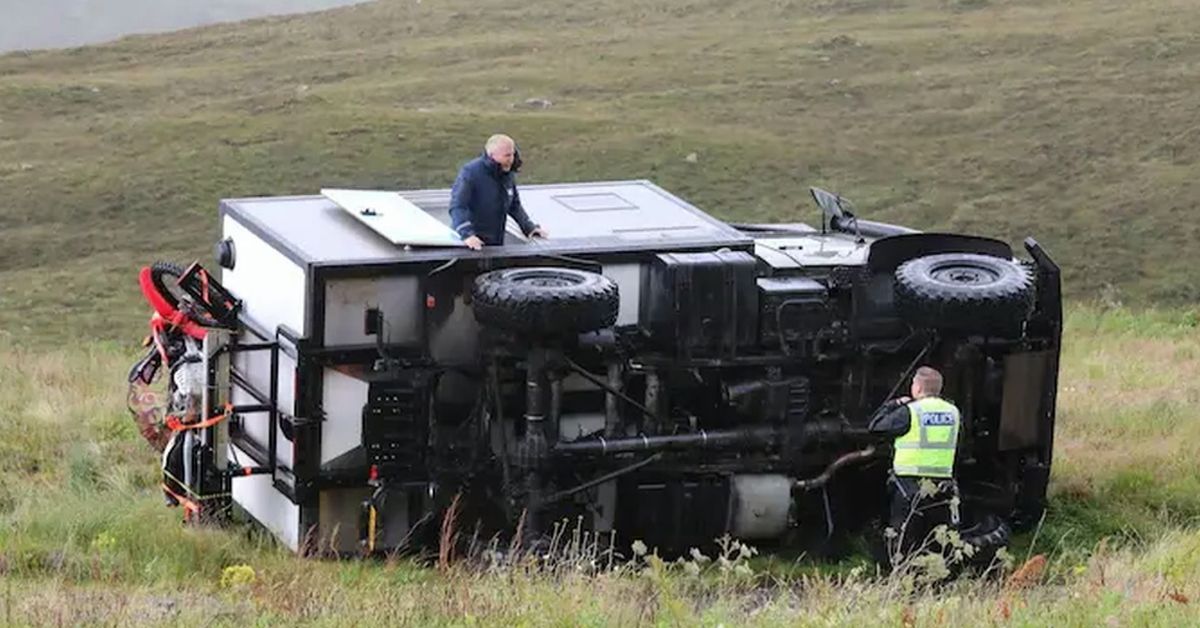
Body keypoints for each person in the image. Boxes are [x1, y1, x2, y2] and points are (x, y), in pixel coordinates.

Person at [868, 366, 962, 565]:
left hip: (909, 487)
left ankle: (904, 583)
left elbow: (875, 426)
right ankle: (936, 585)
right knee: (938, 542)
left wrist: (894, 403)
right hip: (943, 487)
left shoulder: (910, 411)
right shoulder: (953, 412)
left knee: (903, 542)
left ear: (917, 388)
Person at [449, 134, 548, 250]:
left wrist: (529, 227)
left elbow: (514, 206)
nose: (511, 160)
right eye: (507, 155)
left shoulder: (507, 173)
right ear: (492, 155)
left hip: (495, 243)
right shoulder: (470, 173)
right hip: (470, 244)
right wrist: (467, 234)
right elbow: (458, 206)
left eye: (512, 154)